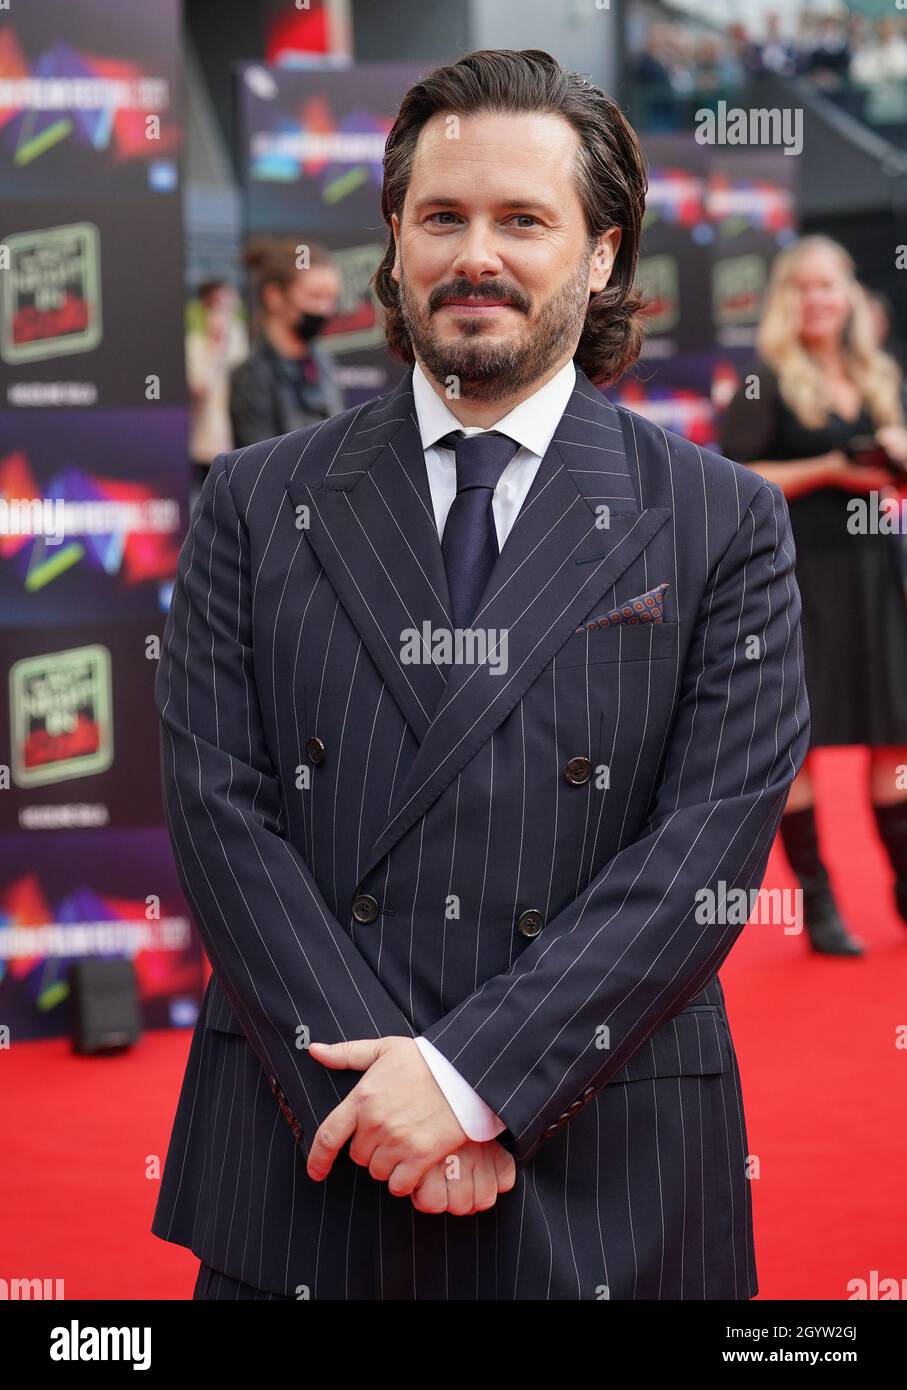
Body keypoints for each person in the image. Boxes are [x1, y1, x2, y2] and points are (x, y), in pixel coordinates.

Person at [152, 48, 808, 1301]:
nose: (475, 256)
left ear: (605, 252)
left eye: (523, 219)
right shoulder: (253, 499)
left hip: (599, 1158)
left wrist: (469, 1083)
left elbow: (706, 852)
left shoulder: (722, 518)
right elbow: (217, 810)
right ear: (392, 239)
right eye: (441, 216)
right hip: (312, 1145)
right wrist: (376, 1096)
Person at [719, 235, 907, 956]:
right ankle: (820, 906)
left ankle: (900, 888)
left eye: (829, 285)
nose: (818, 299)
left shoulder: (875, 373)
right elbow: (740, 477)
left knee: (893, 735)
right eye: (803, 287)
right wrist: (832, 464)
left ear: (850, 294)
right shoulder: (765, 378)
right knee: (799, 745)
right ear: (784, 301)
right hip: (797, 578)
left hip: (874, 575)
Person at [229, 238, 344, 447]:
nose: (326, 310)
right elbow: (260, 465)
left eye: (331, 299)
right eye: (315, 297)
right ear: (274, 296)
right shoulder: (252, 376)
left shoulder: (323, 362)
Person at [185, 280, 248, 512]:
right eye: (217, 305)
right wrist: (214, 347)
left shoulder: (240, 340)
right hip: (206, 441)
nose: (224, 312)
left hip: (239, 438)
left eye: (229, 304)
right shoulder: (195, 344)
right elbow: (199, 386)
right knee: (207, 505)